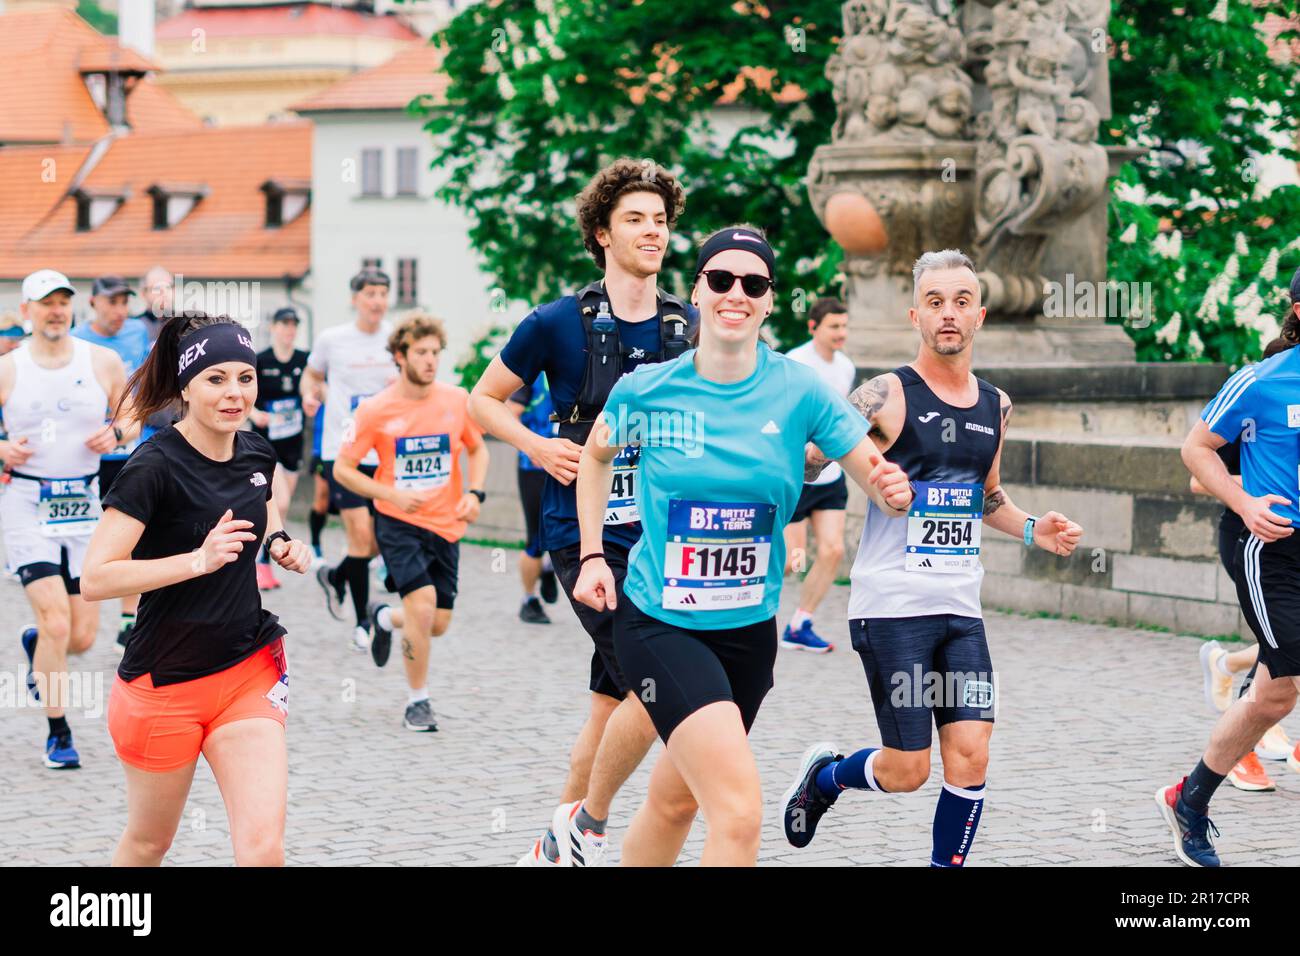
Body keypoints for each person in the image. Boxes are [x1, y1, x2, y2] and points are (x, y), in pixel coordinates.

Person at [572, 225, 910, 865]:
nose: (736, 293)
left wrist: (889, 486)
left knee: (677, 804)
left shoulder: (800, 389)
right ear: (697, 289)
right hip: (660, 624)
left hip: (750, 629)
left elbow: (867, 465)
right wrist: (593, 554)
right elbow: (594, 460)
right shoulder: (649, 389)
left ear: (769, 300)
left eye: (753, 284)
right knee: (739, 812)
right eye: (720, 279)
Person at [780, 249, 1084, 868]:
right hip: (892, 608)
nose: (950, 314)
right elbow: (808, 453)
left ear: (980, 316)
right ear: (915, 314)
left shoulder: (995, 405)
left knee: (971, 755)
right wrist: (865, 471)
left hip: (960, 607)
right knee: (908, 770)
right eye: (937, 303)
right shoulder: (886, 394)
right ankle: (827, 779)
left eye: (963, 302)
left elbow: (985, 497)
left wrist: (1032, 528)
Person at [469, 158, 697, 866]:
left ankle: (556, 843)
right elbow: (478, 400)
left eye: (660, 220)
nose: (651, 231)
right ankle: (588, 830)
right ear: (602, 233)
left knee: (610, 701)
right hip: (583, 531)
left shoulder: (687, 324)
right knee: (663, 681)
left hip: (664, 529)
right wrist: (538, 443)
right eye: (635, 219)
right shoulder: (556, 322)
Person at [82, 312, 312, 866]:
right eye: (216, 379)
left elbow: (265, 502)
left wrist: (280, 540)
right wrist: (196, 560)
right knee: (149, 844)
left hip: (244, 669)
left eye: (245, 377)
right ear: (186, 386)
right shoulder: (153, 467)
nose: (234, 393)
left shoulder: (256, 451)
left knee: (264, 849)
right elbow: (95, 577)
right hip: (164, 685)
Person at [1157, 278, 1300, 867]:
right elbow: (1196, 450)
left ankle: (1188, 799)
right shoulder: (1261, 380)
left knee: (1274, 696)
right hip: (1274, 548)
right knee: (1288, 671)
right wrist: (1245, 504)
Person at [3, 269, 135, 768]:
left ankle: (36, 644)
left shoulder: (101, 361)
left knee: (80, 637)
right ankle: (58, 734)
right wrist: (2, 448)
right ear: (27, 312)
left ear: (72, 309)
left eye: (63, 302)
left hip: (82, 506)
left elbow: (132, 415)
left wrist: (118, 435)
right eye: (45, 303)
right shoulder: (9, 367)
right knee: (57, 623)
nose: (55, 310)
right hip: (27, 504)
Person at [332, 313, 488, 730]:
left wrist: (475, 494)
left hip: (446, 525)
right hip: (398, 522)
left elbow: (478, 449)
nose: (430, 360)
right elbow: (343, 470)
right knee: (421, 608)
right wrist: (391, 494)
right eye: (421, 352)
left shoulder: (457, 400)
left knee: (436, 621)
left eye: (435, 352)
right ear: (400, 356)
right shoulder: (374, 410)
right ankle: (417, 702)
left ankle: (384, 617)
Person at [301, 268, 398, 651]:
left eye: (382, 293)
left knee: (375, 541)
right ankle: (362, 622)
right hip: (343, 452)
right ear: (355, 298)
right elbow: (311, 376)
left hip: (387, 452)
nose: (377, 300)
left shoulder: (396, 338)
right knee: (359, 536)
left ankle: (337, 576)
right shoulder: (333, 339)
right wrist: (311, 395)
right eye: (370, 293)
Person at [72, 275, 152, 653]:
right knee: (90, 536)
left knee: (132, 536)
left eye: (124, 302)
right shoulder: (77, 342)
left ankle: (127, 618)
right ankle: (74, 609)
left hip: (131, 447)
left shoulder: (138, 332)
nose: (120, 311)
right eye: (112, 303)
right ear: (93, 303)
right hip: (85, 455)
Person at [781, 297, 856, 653]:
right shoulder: (795, 363)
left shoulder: (846, 367)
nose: (841, 333)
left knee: (832, 550)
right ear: (814, 328)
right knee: (790, 560)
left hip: (831, 476)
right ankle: (744, 612)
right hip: (795, 474)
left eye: (844, 326)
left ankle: (799, 623)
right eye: (834, 327)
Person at [248, 307, 310, 590]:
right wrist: (254, 413)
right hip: (266, 443)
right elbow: (246, 392)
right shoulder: (260, 360)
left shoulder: (304, 360)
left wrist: (311, 399)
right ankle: (260, 564)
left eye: (293, 324)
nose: (289, 330)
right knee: (278, 501)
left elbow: (314, 387)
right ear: (273, 327)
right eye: (284, 324)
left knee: (278, 510)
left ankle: (262, 557)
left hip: (293, 443)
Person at [506, 373, 560, 624]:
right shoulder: (533, 373)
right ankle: (528, 600)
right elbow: (508, 413)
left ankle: (550, 566)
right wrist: (530, 446)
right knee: (536, 538)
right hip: (534, 468)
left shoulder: (584, 360)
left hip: (572, 462)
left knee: (575, 533)